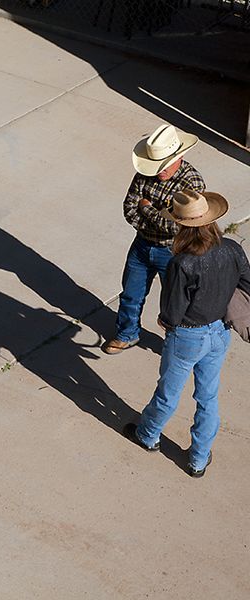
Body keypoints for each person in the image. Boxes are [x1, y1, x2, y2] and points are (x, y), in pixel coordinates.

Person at [123, 190, 250, 477]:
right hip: (220, 332)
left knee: (168, 394)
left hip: (188, 337)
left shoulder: (182, 262)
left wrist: (164, 321)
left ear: (182, 225)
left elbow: (172, 311)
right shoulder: (232, 248)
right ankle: (198, 459)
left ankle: (148, 435)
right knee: (208, 397)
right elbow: (247, 283)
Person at [103, 124, 205, 354]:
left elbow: (176, 227)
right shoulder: (145, 174)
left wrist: (146, 209)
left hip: (173, 251)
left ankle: (175, 345)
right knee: (130, 293)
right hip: (141, 245)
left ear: (179, 156)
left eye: (164, 165)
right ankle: (127, 334)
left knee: (174, 302)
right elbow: (129, 208)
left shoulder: (192, 183)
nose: (159, 171)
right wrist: (153, 217)